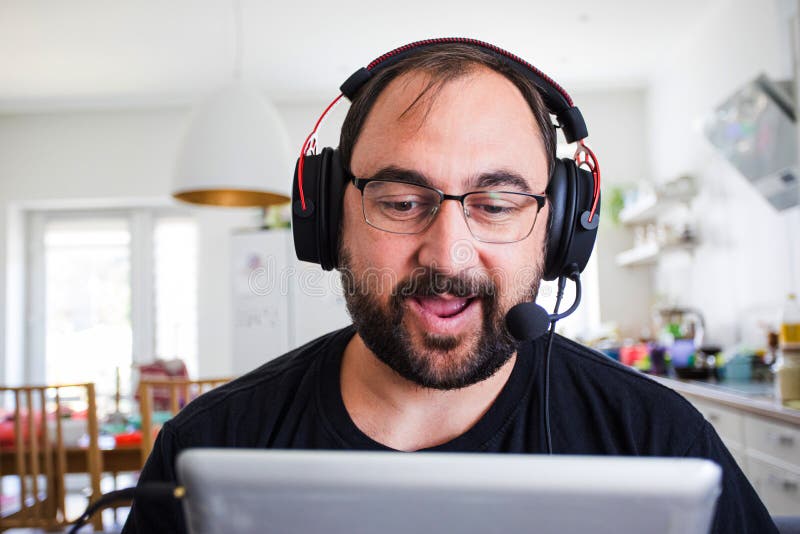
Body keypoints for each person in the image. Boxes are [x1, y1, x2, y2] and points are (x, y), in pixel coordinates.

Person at [123, 40, 777, 533]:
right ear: (326, 218)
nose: (449, 252)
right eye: (403, 201)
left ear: (557, 230)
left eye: (496, 203)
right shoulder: (206, 448)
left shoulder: (658, 440)